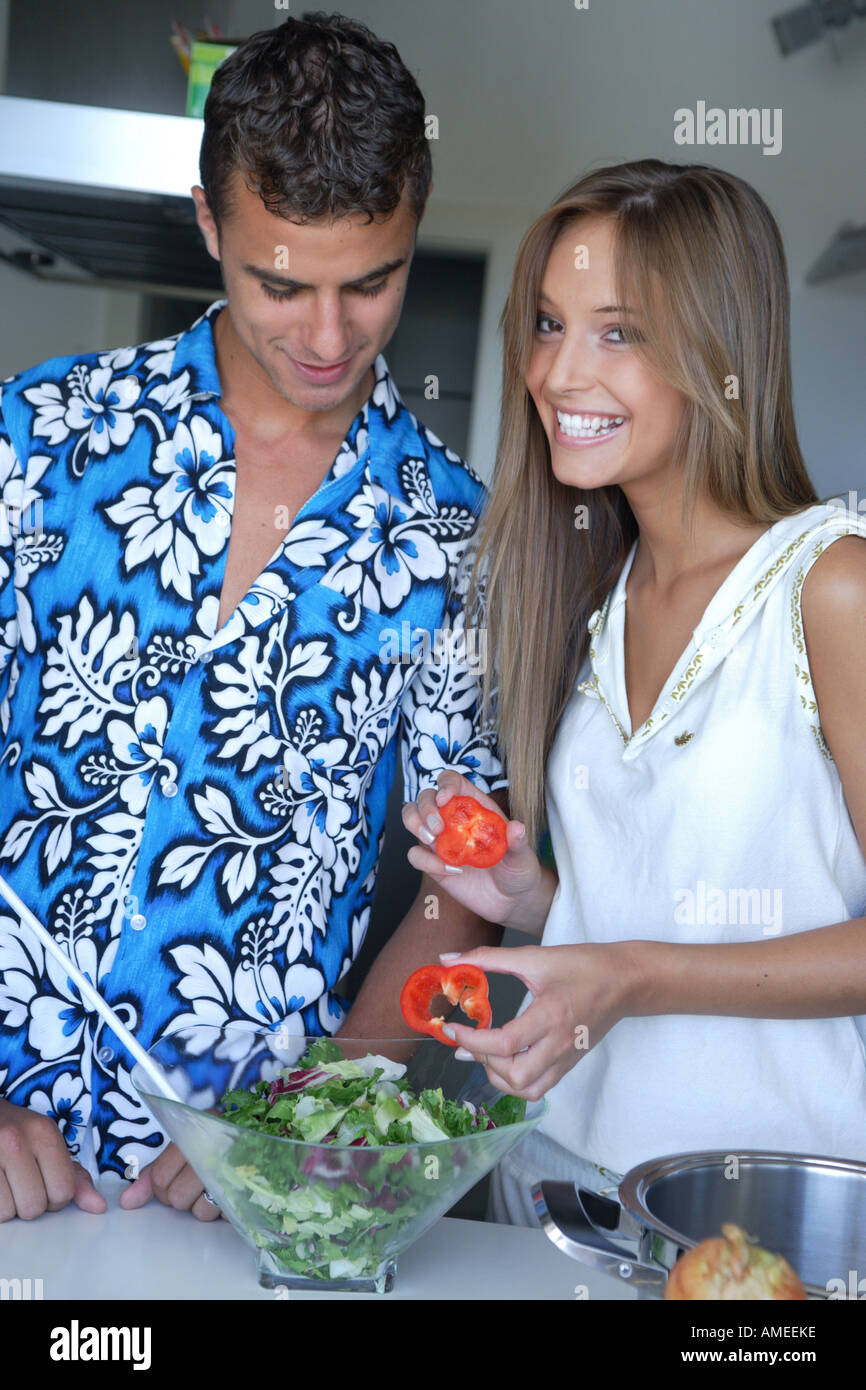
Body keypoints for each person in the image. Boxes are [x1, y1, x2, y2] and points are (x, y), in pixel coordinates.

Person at [0, 12, 508, 1223]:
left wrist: (318, 1108)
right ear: (209, 226)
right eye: (280, 282)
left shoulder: (456, 537)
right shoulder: (33, 439)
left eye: (369, 282)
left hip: (242, 1194)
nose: (326, 338)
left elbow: (465, 882)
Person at [401, 158, 866, 1226]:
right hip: (560, 1187)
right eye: (549, 324)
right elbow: (672, 904)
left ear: (718, 350)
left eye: (617, 332)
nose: (560, 373)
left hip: (763, 1214)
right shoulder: (597, 594)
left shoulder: (828, 582)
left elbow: (654, 963)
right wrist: (543, 904)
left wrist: (626, 971)